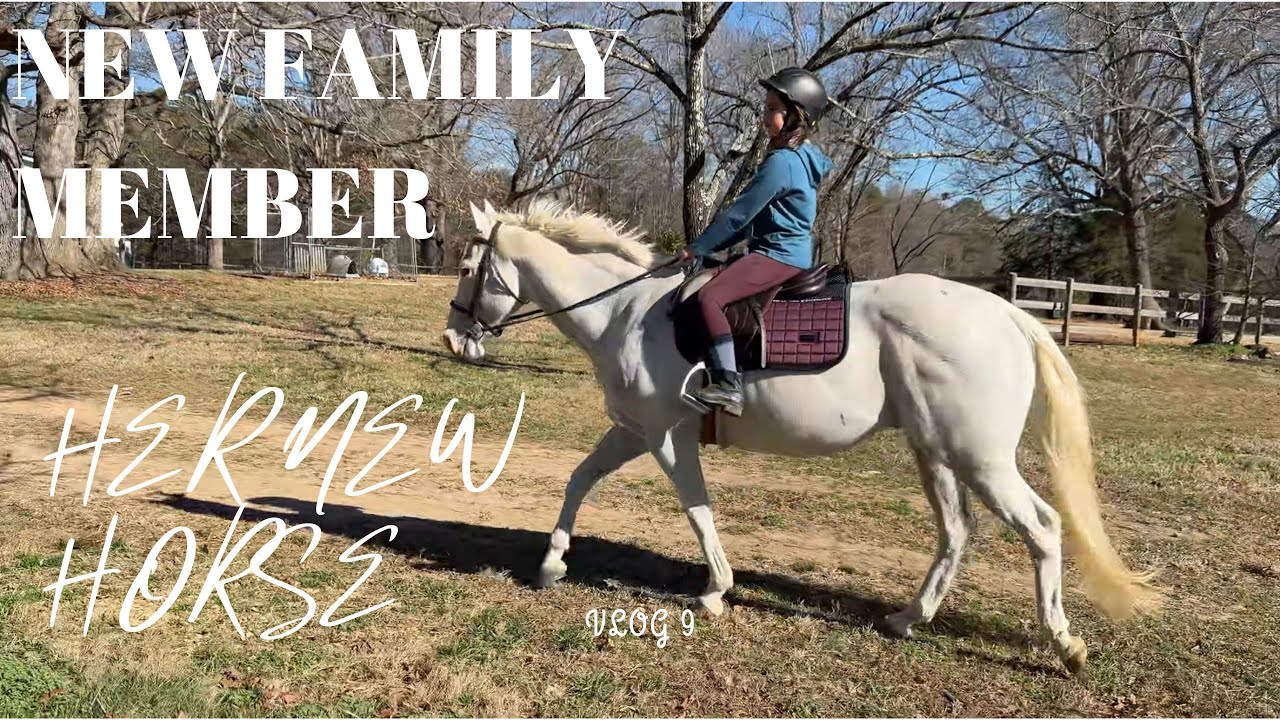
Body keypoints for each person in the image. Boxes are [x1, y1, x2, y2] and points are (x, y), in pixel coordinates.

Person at [676, 67, 833, 410]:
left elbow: (739, 214)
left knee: (710, 298)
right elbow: (756, 220)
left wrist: (698, 247)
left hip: (779, 255)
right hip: (782, 251)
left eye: (771, 110)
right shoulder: (802, 159)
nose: (764, 118)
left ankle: (729, 385)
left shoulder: (783, 163)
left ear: (794, 116)